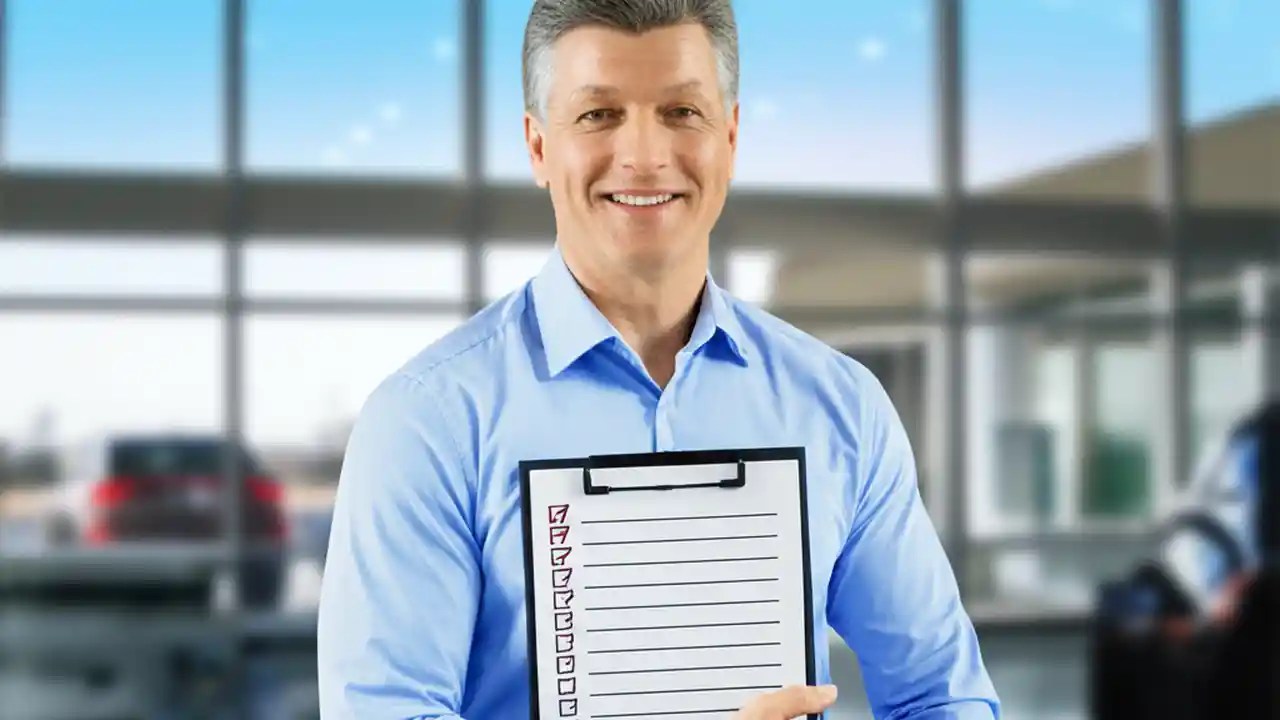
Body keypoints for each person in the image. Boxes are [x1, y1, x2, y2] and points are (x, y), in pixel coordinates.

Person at [317, 1, 1000, 718]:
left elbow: (941, 696)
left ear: (729, 138)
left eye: (680, 112)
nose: (644, 156)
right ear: (539, 148)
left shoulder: (840, 408)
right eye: (598, 115)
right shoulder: (427, 422)